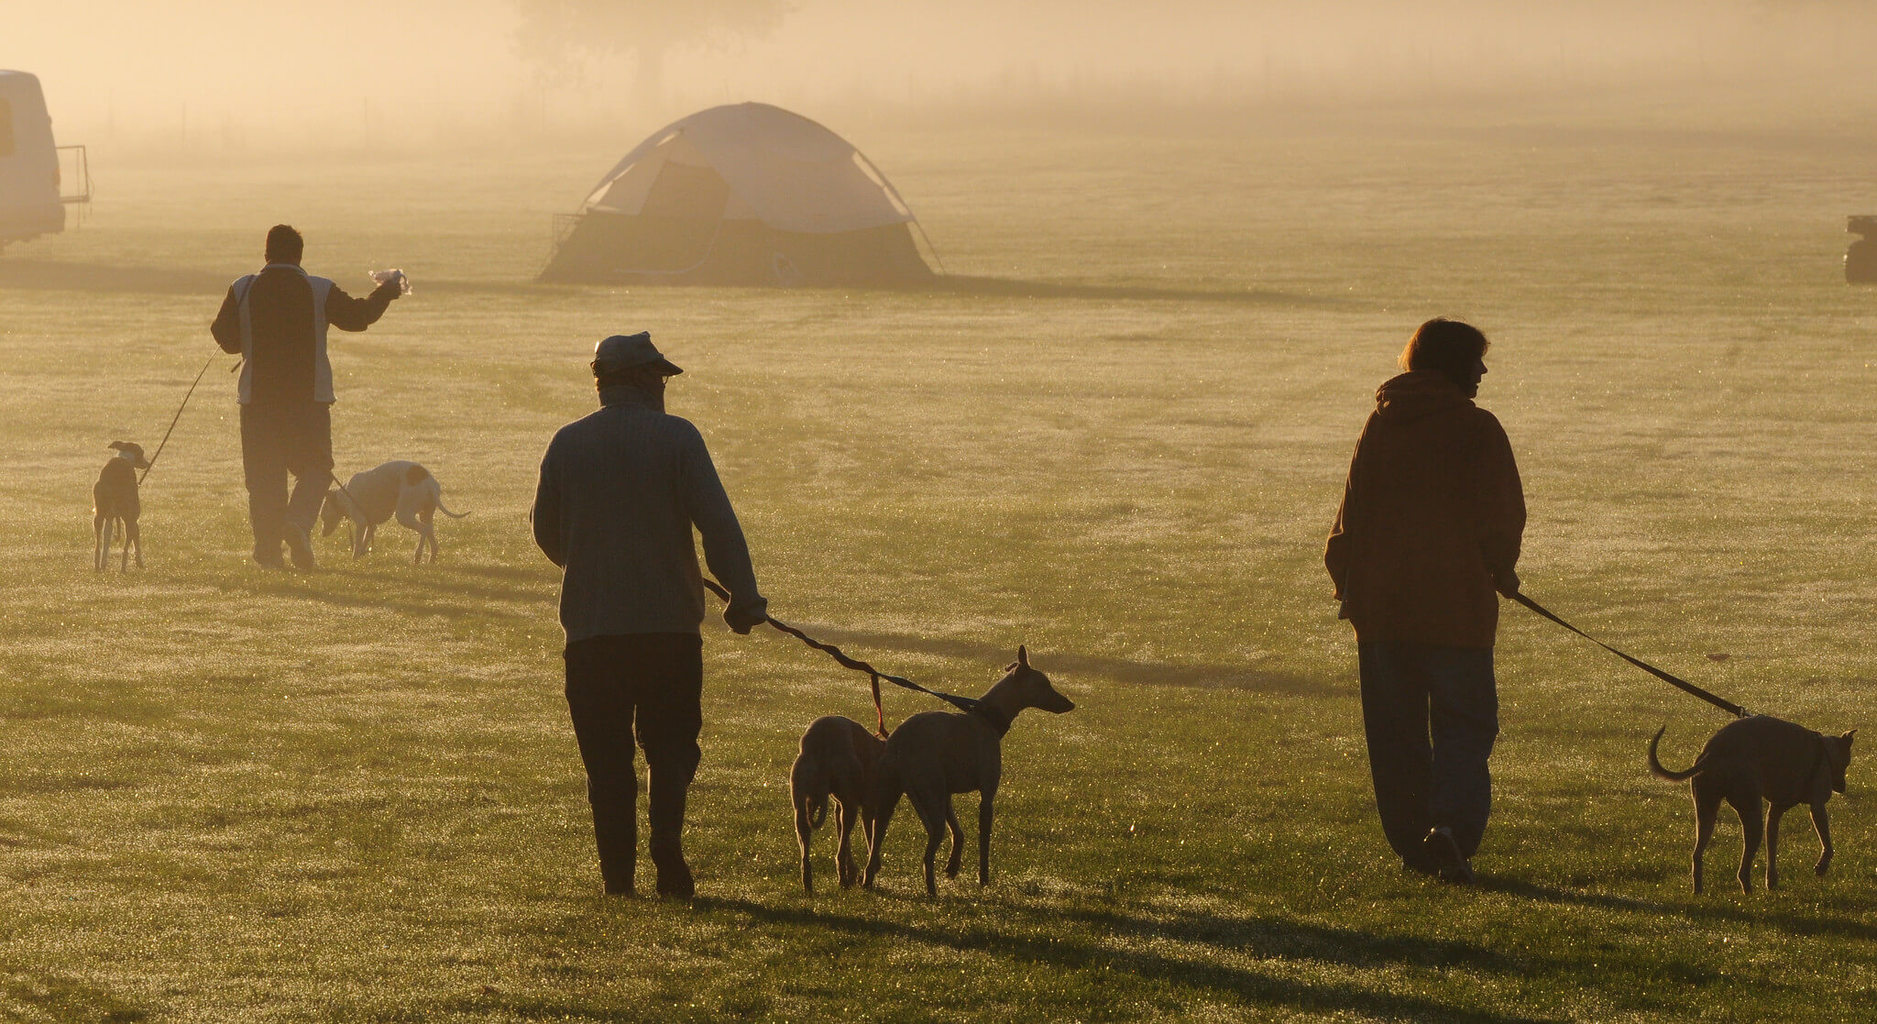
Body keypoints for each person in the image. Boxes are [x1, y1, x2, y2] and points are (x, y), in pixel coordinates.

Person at [531, 332, 768, 898]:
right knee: (670, 747)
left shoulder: (568, 444)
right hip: (669, 632)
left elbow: (546, 531)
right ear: (638, 378)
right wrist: (743, 596)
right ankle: (667, 845)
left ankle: (617, 880)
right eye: (658, 377)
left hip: (592, 633)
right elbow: (718, 523)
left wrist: (590, 563)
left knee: (606, 762)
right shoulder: (677, 438)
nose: (664, 386)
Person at [1324, 318, 1525, 883]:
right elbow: (1501, 515)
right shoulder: (1477, 428)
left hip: (1383, 614)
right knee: (1464, 727)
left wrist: (1351, 587)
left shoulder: (1380, 425)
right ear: (1454, 364)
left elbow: (1349, 518)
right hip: (1455, 610)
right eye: (1477, 360)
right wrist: (1500, 569)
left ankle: (1415, 846)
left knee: (1396, 735)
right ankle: (1452, 831)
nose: (1483, 372)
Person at [210, 224, 403, 569]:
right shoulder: (318, 289)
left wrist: (247, 343)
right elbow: (359, 317)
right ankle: (298, 524)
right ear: (300, 256)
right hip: (307, 401)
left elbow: (223, 336)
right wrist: (387, 291)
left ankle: (268, 549)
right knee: (316, 468)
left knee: (264, 478)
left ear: (266, 254)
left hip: (257, 402)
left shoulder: (243, 287)